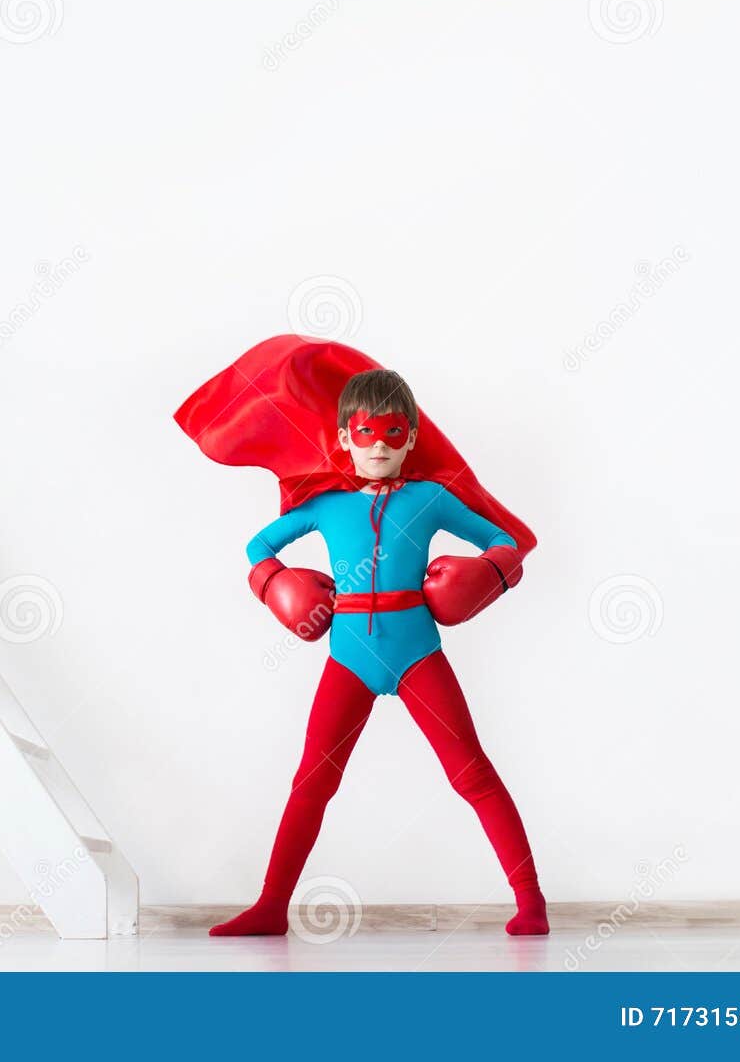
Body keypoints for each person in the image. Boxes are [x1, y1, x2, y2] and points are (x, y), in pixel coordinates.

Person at [174, 337, 549, 937]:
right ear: (345, 437)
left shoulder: (431, 498)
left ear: (412, 436)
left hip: (417, 651)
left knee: (471, 772)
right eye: (367, 432)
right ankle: (271, 906)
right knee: (313, 780)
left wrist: (490, 574)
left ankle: (531, 903)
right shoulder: (325, 505)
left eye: (394, 432)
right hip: (349, 655)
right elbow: (258, 545)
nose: (379, 444)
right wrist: (276, 584)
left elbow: (506, 539)